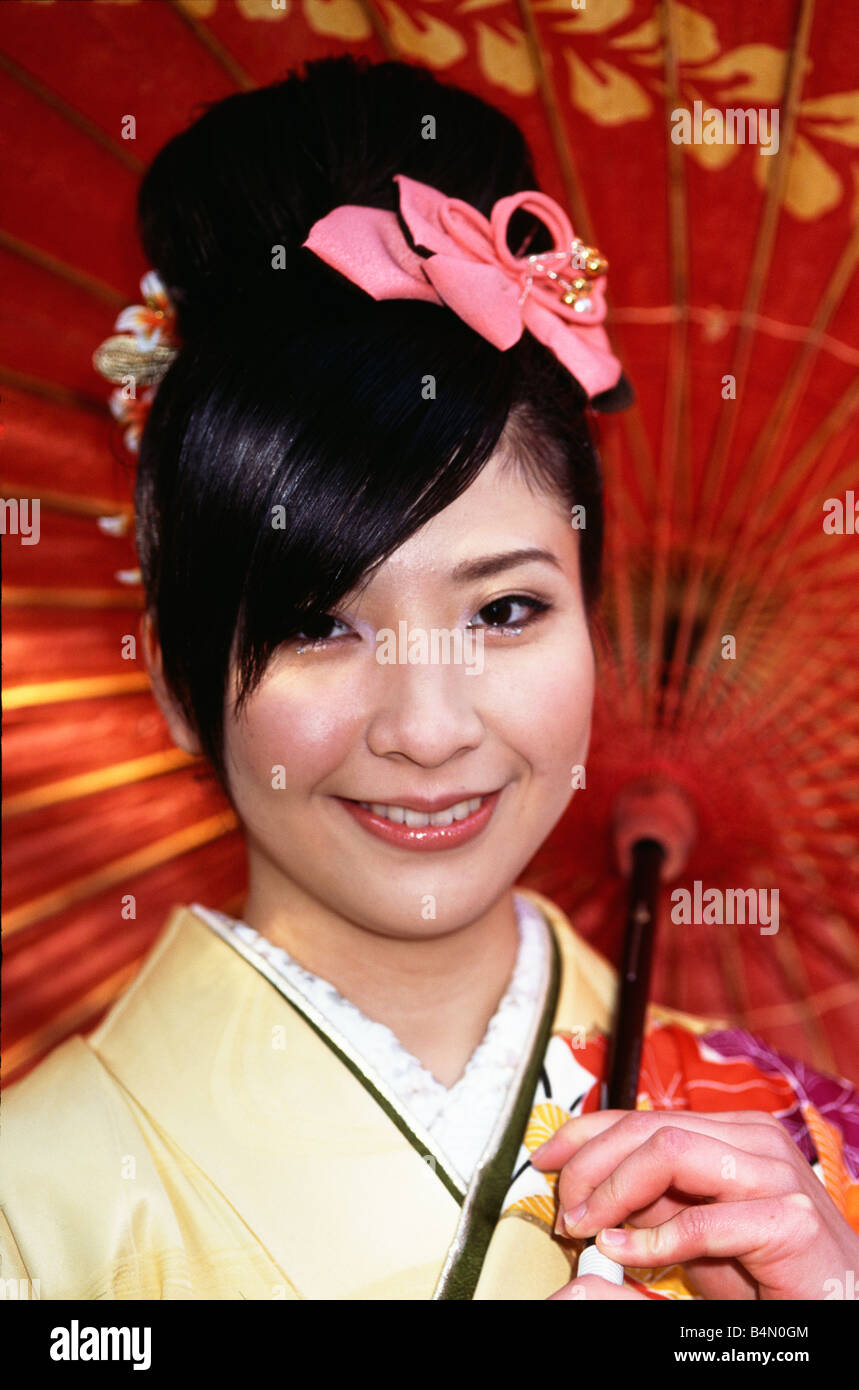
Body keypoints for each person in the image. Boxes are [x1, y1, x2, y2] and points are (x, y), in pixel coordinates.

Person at [1, 54, 857, 1303]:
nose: (430, 725)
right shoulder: (37, 1205)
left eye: (506, 608)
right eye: (317, 625)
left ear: (591, 625)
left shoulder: (779, 1163)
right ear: (180, 683)